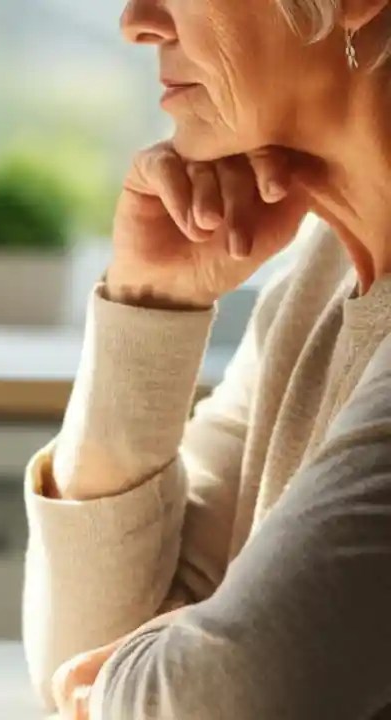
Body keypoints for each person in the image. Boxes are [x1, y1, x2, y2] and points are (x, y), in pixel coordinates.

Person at [23, 0, 391, 717]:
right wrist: (148, 306)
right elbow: (79, 645)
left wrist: (155, 669)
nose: (137, 21)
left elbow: (221, 694)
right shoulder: (317, 283)